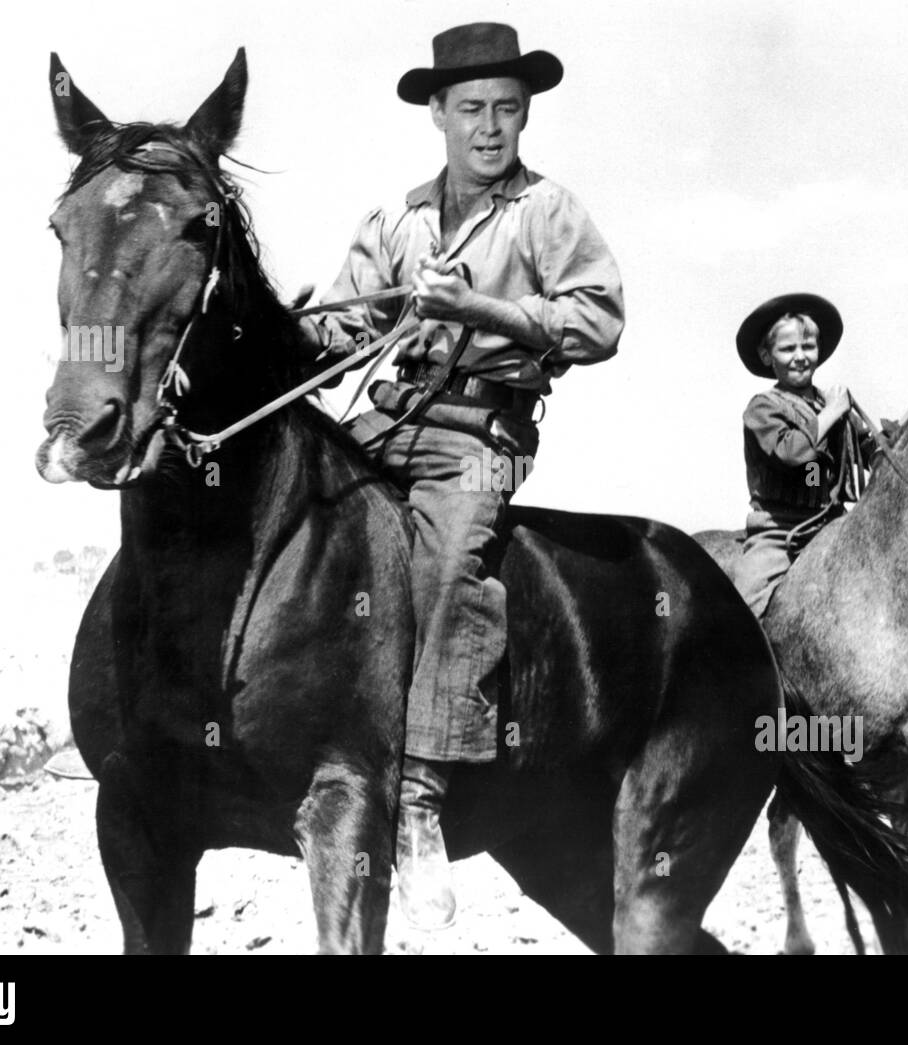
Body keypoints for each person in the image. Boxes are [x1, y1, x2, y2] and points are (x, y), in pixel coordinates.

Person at [292, 22, 624, 930]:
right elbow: (345, 328)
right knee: (293, 518)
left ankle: (423, 797)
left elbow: (599, 323)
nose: (490, 128)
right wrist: (295, 335)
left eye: (507, 111)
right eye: (471, 109)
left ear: (524, 118)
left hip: (481, 428)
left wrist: (476, 307)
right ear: (437, 113)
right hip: (389, 416)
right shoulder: (395, 219)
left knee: (446, 567)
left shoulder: (548, 211)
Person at [732, 293, 908, 618]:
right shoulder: (763, 408)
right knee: (745, 604)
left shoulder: (830, 403)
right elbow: (792, 452)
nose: (800, 357)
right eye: (787, 349)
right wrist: (834, 411)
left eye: (808, 347)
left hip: (835, 524)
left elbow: (876, 454)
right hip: (781, 533)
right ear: (767, 356)